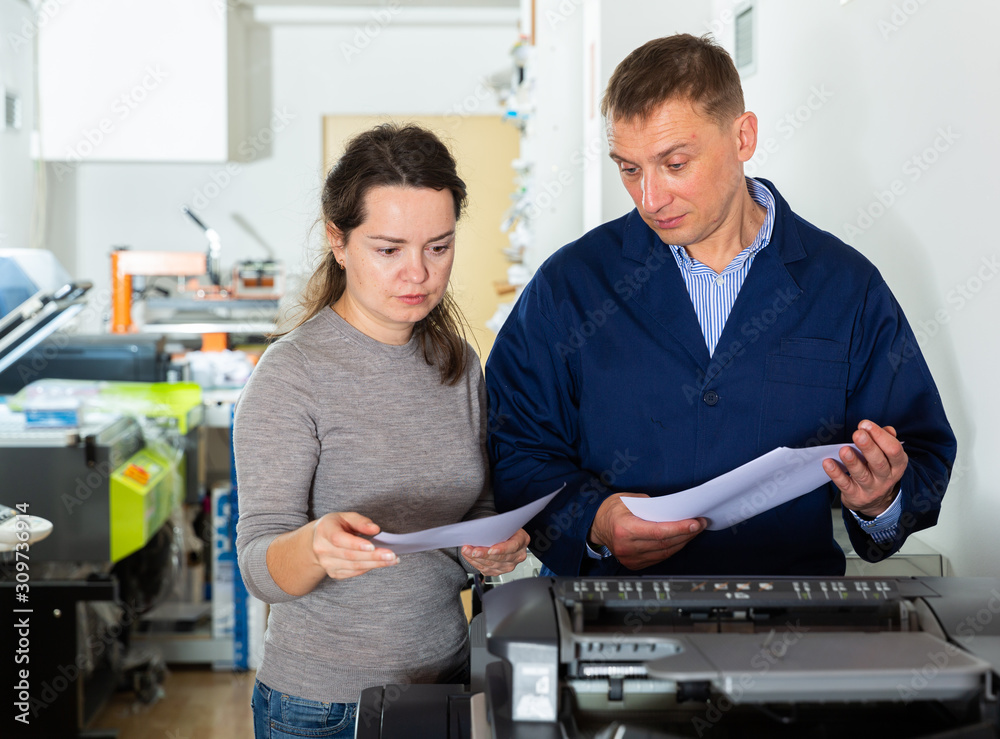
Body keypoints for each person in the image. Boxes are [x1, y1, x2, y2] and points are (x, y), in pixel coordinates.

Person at [485, 34, 956, 578]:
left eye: (675, 163)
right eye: (630, 169)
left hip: (784, 611)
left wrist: (881, 500)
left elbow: (918, 448)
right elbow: (512, 446)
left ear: (742, 137)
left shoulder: (847, 287)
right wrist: (592, 520)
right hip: (603, 608)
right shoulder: (570, 285)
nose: (650, 199)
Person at [235, 123, 529, 739]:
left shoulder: (458, 362)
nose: (417, 273)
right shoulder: (292, 373)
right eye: (389, 250)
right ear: (338, 241)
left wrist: (489, 549)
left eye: (438, 247)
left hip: (449, 679)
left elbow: (475, 506)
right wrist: (315, 546)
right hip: (324, 707)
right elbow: (260, 567)